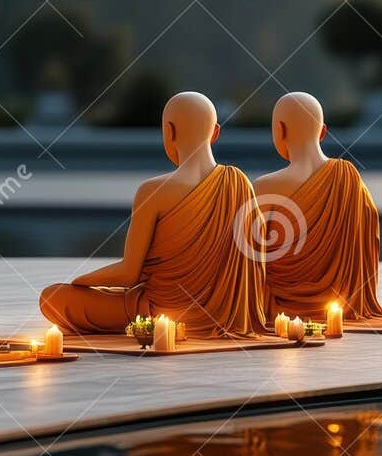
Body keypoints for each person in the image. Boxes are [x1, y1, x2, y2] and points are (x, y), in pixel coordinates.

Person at [39, 92, 269, 336]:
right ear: (214, 133)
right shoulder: (240, 183)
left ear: (169, 131)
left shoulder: (153, 191)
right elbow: (257, 258)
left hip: (157, 313)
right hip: (228, 317)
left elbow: (128, 274)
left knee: (53, 298)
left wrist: (81, 280)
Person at [252, 92, 382, 320]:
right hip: (340, 307)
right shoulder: (350, 180)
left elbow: (250, 260)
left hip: (281, 312)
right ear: (322, 131)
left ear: (280, 130)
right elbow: (369, 241)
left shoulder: (265, 187)